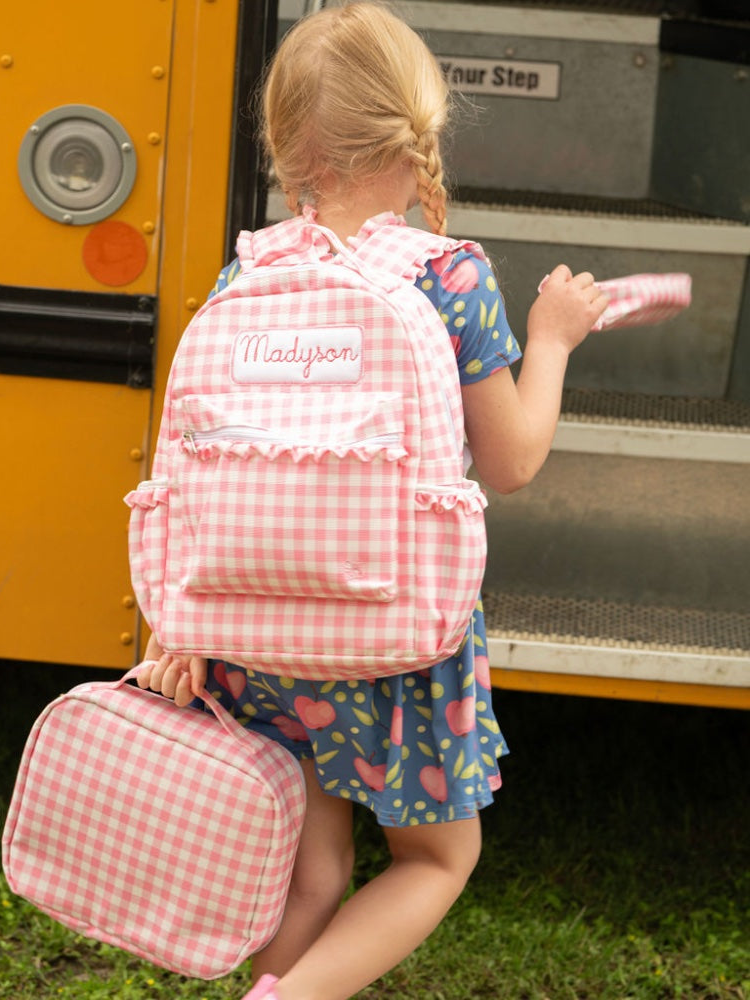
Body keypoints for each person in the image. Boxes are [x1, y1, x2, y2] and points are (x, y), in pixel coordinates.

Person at [138, 4, 609, 998]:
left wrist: (174, 616)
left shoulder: (250, 269)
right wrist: (555, 338)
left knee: (311, 872)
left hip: (254, 628)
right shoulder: (452, 276)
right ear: (419, 124)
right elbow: (512, 461)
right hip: (393, 641)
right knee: (435, 859)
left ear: (286, 145)